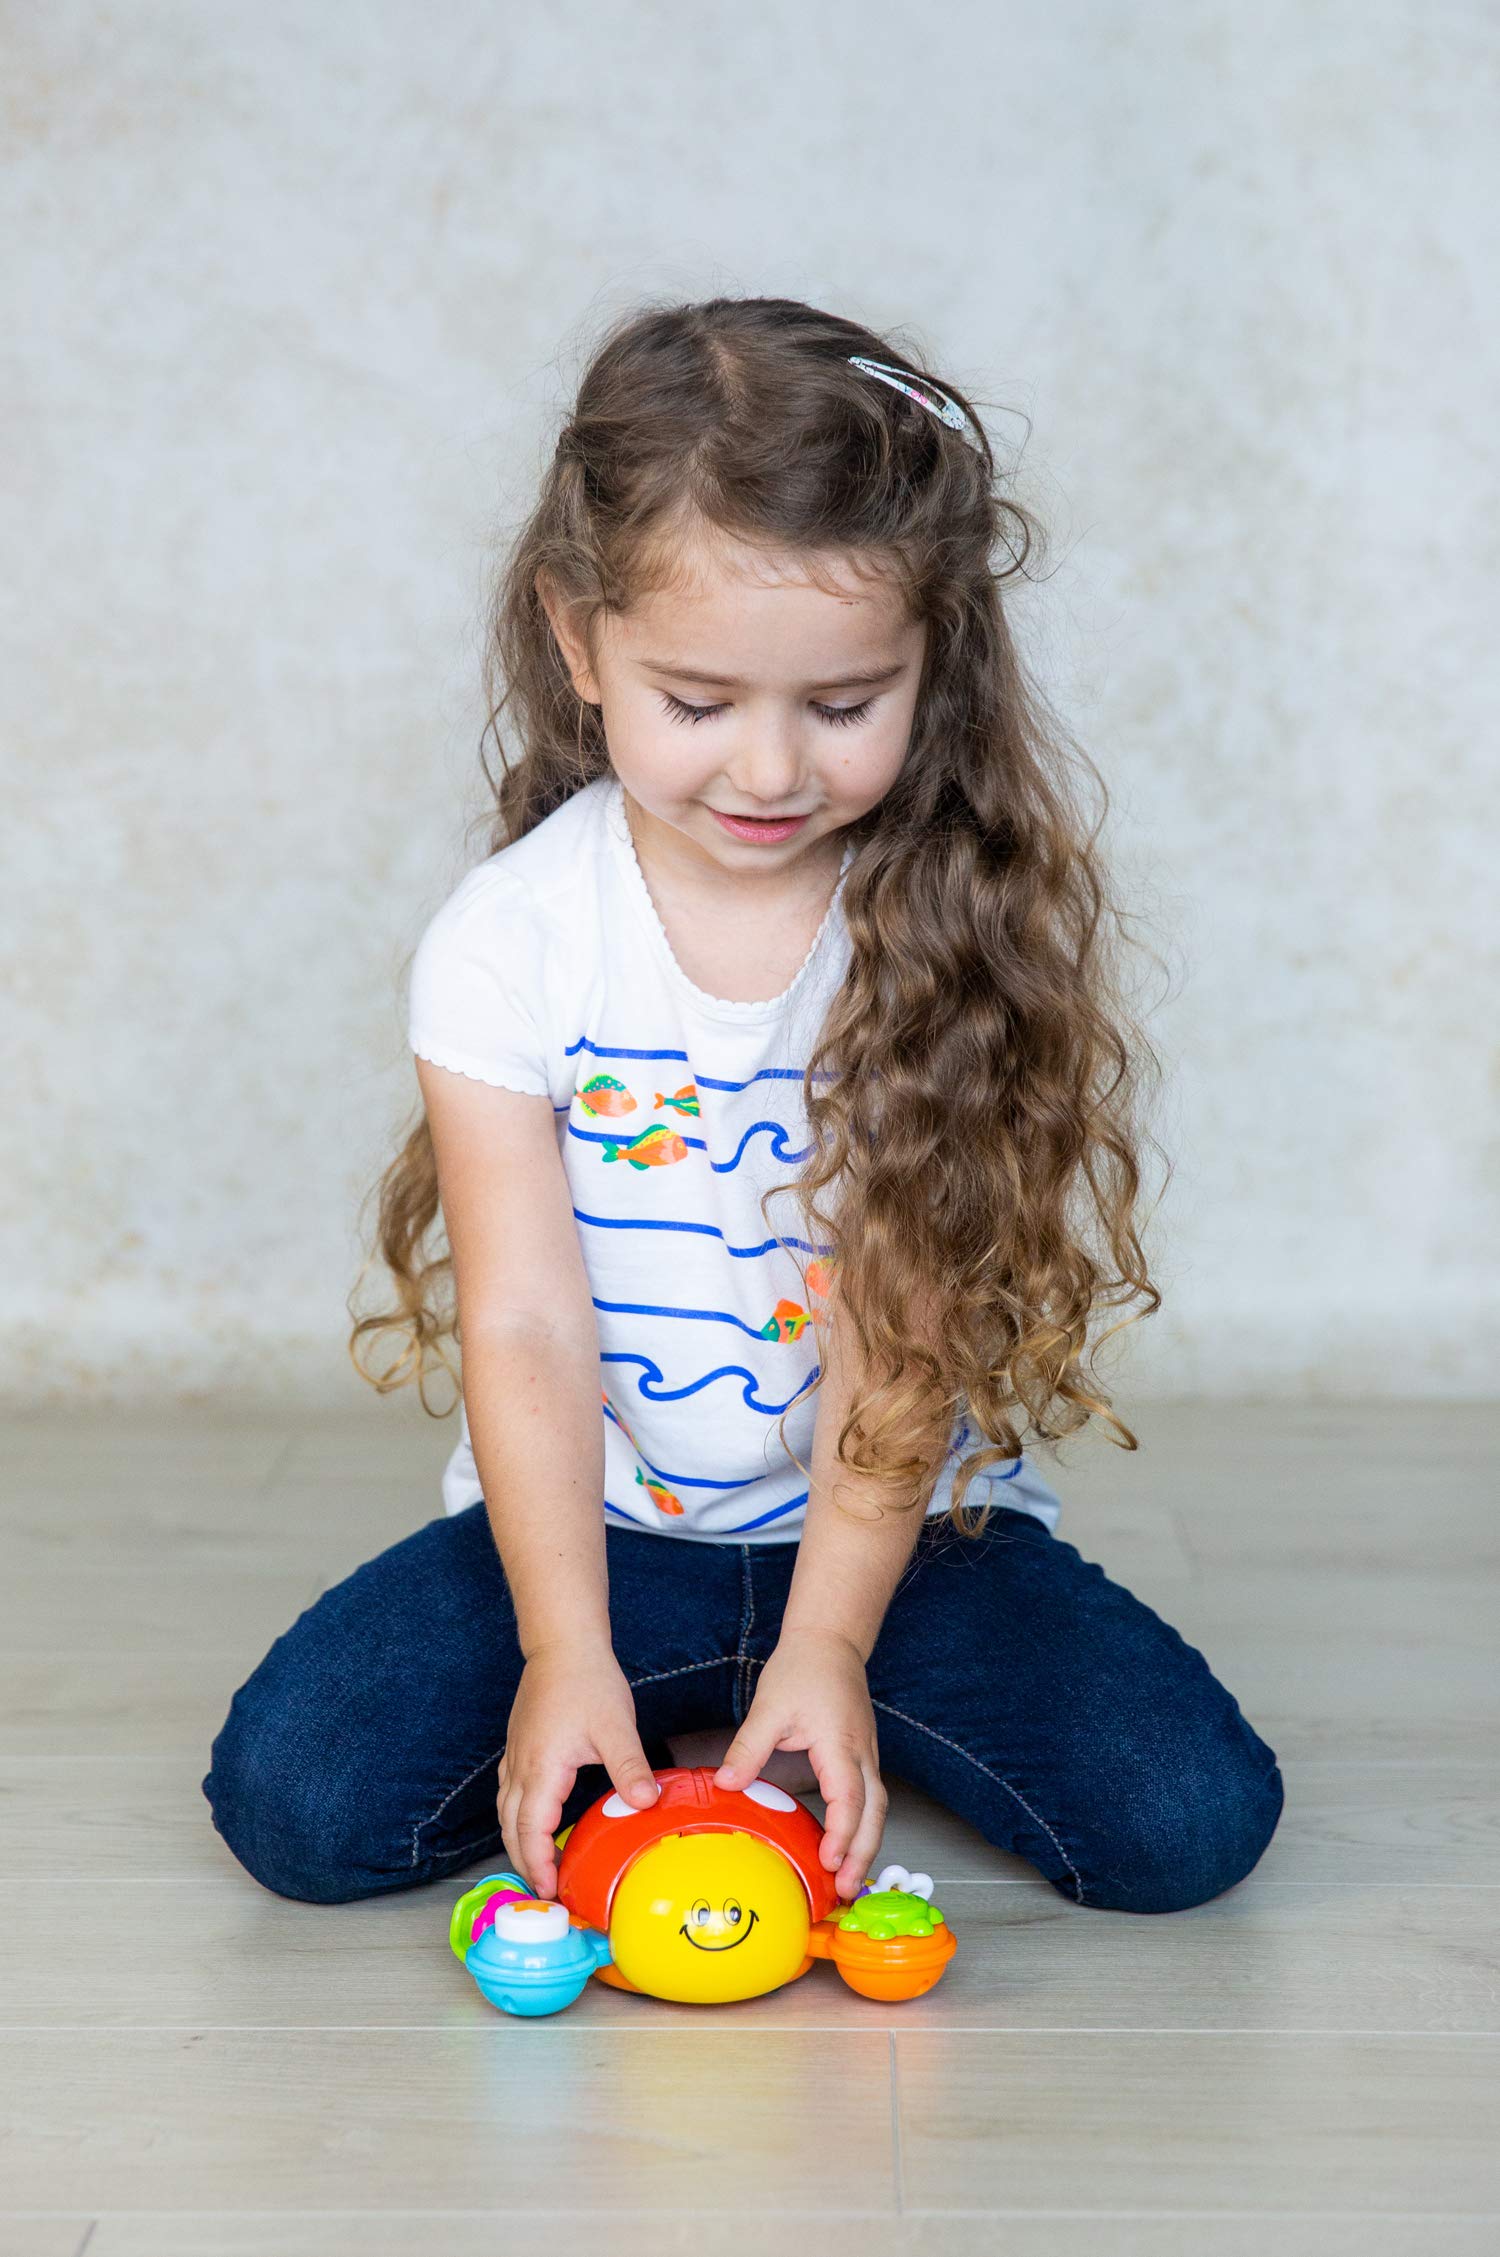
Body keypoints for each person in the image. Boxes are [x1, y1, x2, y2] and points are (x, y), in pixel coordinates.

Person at [203, 296, 1284, 1917]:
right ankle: (687, 1698)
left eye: (844, 704)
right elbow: (525, 1325)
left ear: (933, 660)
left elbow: (900, 1336)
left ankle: (815, 1695)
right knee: (297, 1801)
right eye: (700, 704)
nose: (770, 770)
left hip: (903, 1531)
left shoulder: (940, 921)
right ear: (582, 645)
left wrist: (835, 1638)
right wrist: (564, 1647)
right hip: (607, 1532)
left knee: (1188, 1820)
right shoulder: (509, 943)